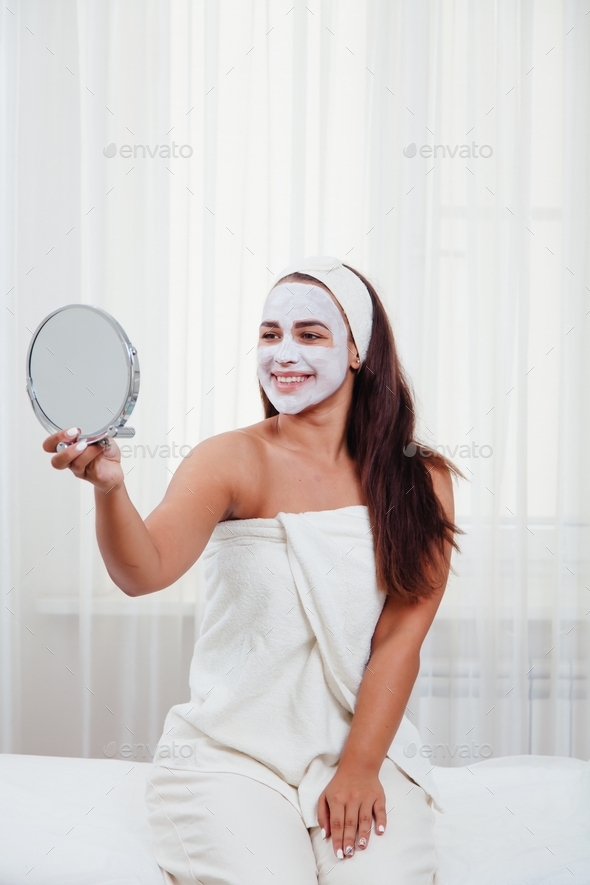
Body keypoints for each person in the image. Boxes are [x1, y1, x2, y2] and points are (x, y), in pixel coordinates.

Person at [44, 255, 464, 885]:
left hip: (356, 750)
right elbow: (144, 570)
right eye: (270, 334)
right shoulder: (231, 459)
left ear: (358, 351)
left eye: (310, 334)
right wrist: (109, 487)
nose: (283, 352)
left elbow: (401, 636)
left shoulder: (420, 478)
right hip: (229, 756)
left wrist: (360, 767)